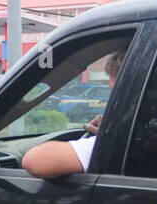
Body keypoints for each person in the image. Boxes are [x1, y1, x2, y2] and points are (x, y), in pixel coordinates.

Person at [22, 50, 125, 179]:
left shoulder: (119, 142)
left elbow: (35, 161)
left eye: (115, 77)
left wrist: (109, 135)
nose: (109, 85)